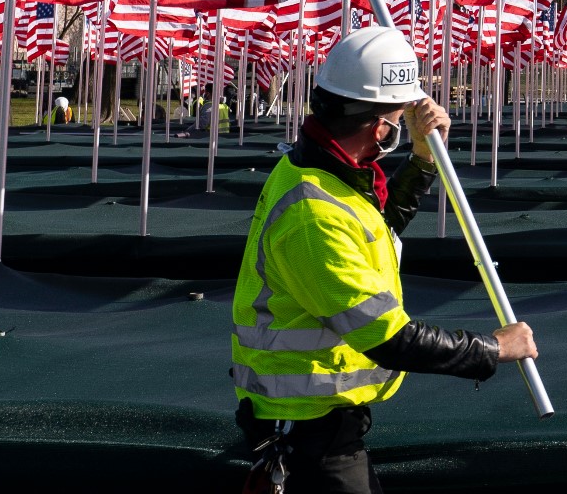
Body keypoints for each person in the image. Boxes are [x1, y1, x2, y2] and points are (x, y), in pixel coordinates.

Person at [231, 26, 538, 493]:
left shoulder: (319, 172)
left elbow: (380, 226)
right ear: (380, 128)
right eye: (397, 118)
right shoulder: (312, 215)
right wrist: (494, 348)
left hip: (320, 423)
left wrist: (421, 159)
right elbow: (389, 338)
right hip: (307, 433)